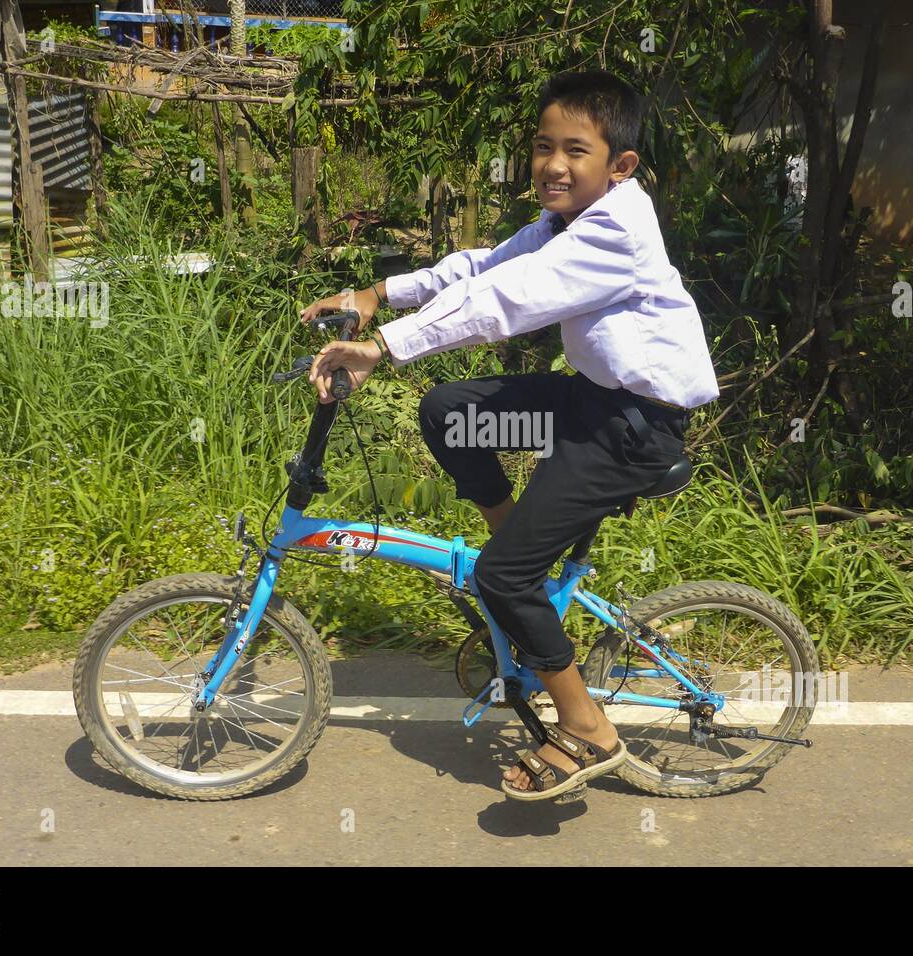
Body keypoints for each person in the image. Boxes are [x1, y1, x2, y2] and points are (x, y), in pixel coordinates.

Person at [301, 69, 719, 801]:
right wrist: (373, 295)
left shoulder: (615, 232)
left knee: (501, 579)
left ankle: (588, 728)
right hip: (592, 401)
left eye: (575, 151)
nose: (553, 164)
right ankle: (514, 555)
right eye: (543, 146)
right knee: (450, 412)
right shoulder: (566, 219)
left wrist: (384, 348)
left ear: (619, 166)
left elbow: (505, 301)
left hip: (633, 430)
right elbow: (482, 267)